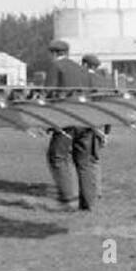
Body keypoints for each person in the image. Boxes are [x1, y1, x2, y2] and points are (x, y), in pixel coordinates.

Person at [43, 39, 96, 211]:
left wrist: (47, 119)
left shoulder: (56, 67)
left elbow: (48, 94)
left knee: (57, 156)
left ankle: (68, 199)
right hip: (87, 119)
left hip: (67, 119)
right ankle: (88, 204)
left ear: (53, 53)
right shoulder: (82, 69)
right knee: (84, 162)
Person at [81, 54, 115, 197]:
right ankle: (97, 190)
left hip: (85, 123)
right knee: (95, 159)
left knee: (83, 160)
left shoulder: (82, 81)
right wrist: (107, 132)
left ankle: (88, 191)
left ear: (84, 65)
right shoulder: (106, 83)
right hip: (102, 124)